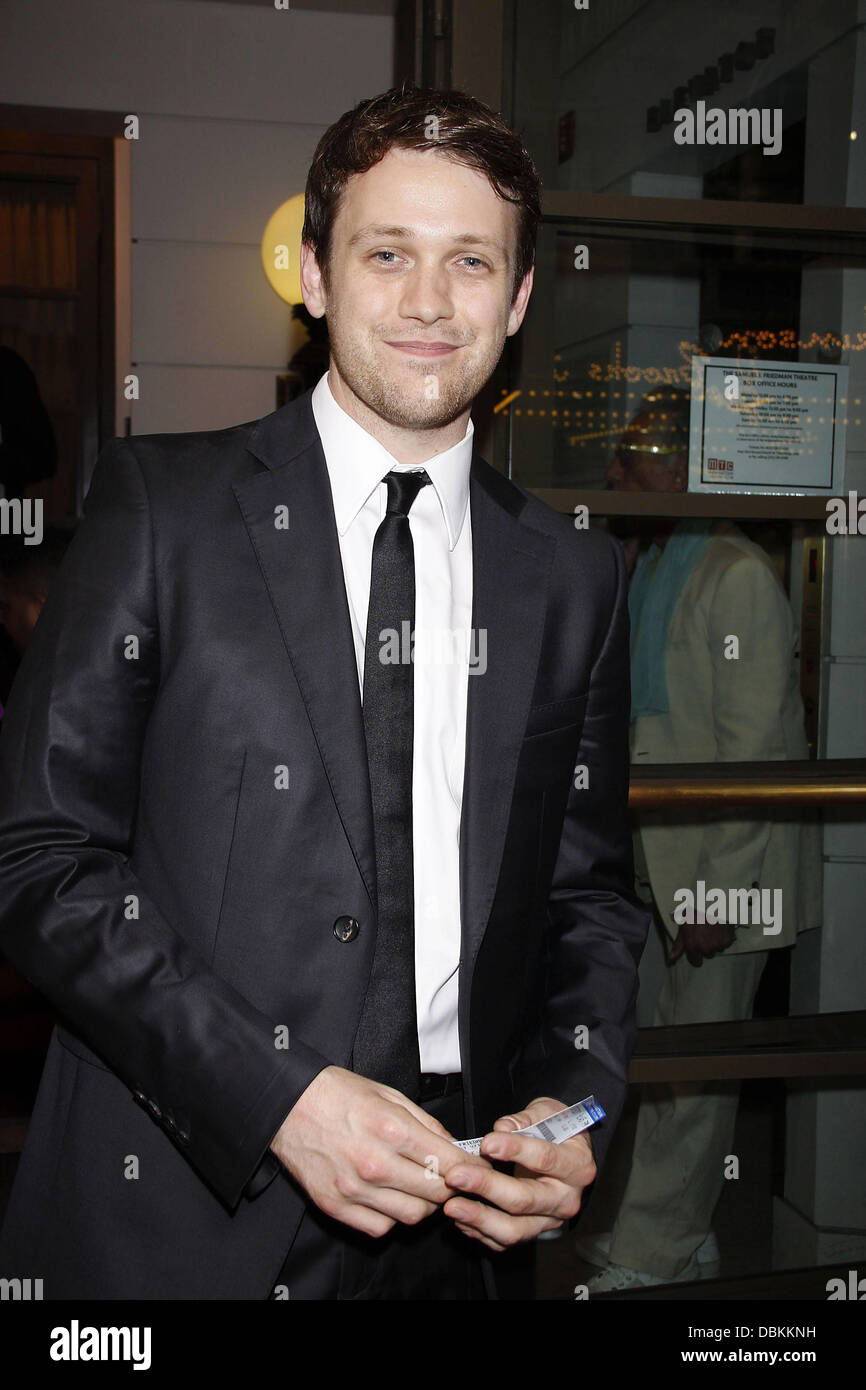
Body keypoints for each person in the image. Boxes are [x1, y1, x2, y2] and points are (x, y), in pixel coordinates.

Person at [0, 86, 650, 1301]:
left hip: (459, 1230)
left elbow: (592, 901)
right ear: (311, 273)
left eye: (468, 262)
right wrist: (275, 1096)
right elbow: (37, 856)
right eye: (385, 252)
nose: (424, 300)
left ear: (514, 301)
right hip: (183, 1212)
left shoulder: (571, 576)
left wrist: (578, 1101)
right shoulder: (161, 512)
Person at [581, 389, 822, 1289]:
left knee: (696, 1085)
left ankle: (652, 1255)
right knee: (666, 1071)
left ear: (682, 468)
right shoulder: (658, 567)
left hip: (724, 882)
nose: (616, 473)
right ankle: (682, 1238)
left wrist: (718, 894)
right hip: (663, 872)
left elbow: (755, 762)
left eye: (632, 458)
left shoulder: (732, 577)